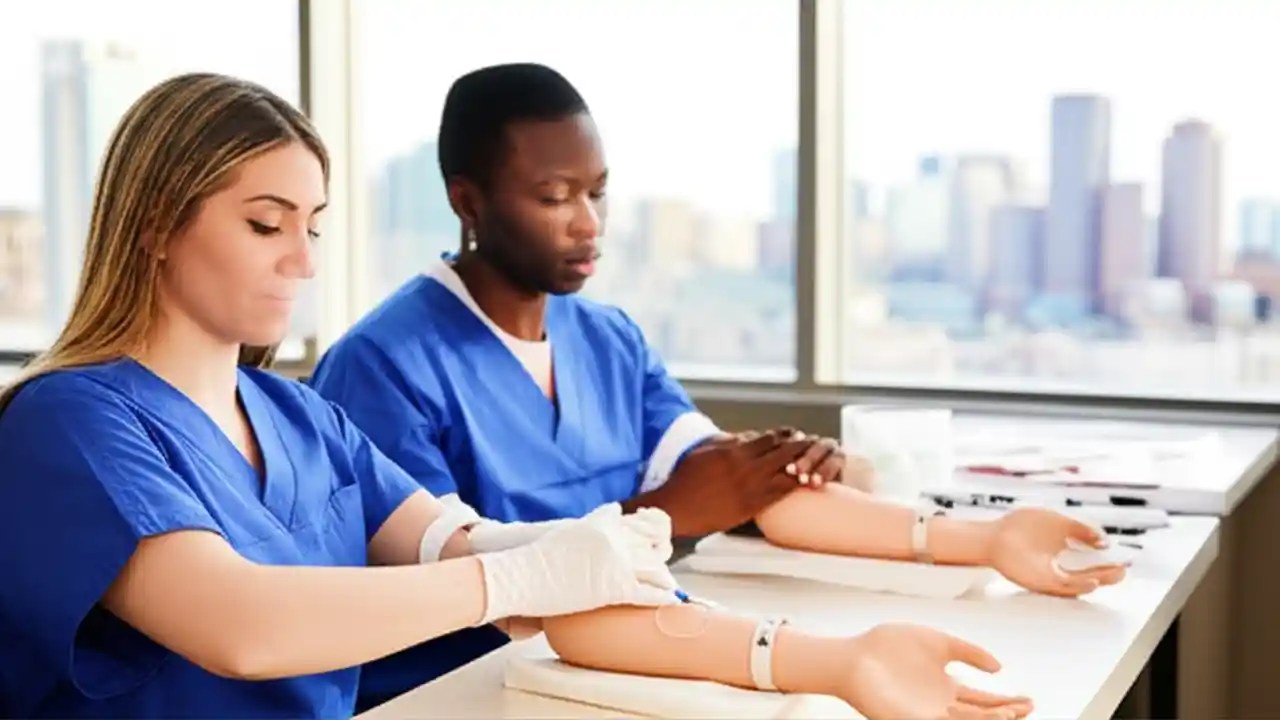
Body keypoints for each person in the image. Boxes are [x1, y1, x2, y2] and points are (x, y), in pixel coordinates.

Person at [308, 61, 1127, 709]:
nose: (589, 222)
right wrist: (669, 510)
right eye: (555, 197)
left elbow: (763, 492)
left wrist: (987, 538)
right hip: (462, 695)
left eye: (598, 192)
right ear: (468, 202)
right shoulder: (383, 365)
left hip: (623, 666)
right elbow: (450, 581)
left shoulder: (607, 338)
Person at [0, 73, 685, 719]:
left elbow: (447, 541)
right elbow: (242, 625)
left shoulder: (298, 415)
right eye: (266, 225)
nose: (304, 262)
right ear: (155, 225)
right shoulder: (65, 423)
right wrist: (519, 579)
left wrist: (572, 545)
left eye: (313, 227)